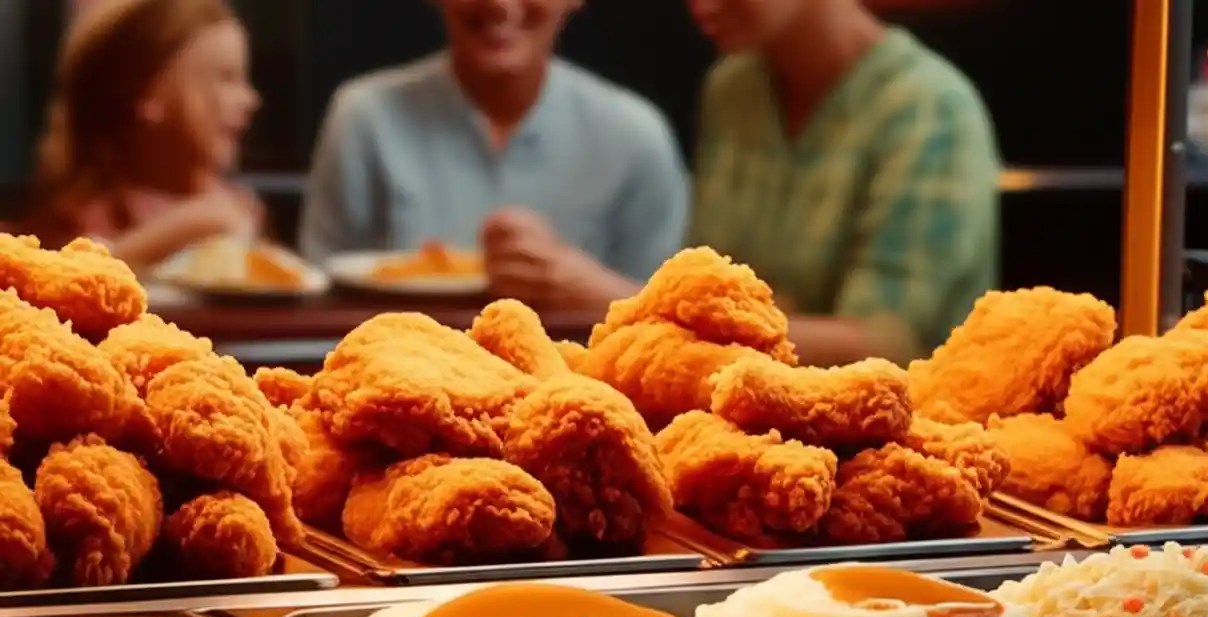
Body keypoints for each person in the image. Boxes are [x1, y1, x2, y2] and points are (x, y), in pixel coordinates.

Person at [302, 0, 687, 311]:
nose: (500, 5)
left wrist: (587, 287)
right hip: (399, 374)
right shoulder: (365, 117)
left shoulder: (635, 135)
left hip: (576, 378)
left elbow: (673, 326)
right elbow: (316, 298)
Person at [685, 0, 1001, 366]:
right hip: (743, 394)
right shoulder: (734, 89)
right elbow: (708, 280)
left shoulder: (929, 108)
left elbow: (889, 346)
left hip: (900, 400)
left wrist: (685, 324)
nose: (702, 8)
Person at [20, 0, 263, 269]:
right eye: (226, 78)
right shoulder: (71, 220)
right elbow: (63, 279)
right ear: (146, 92)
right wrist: (180, 231)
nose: (250, 100)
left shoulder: (242, 209)